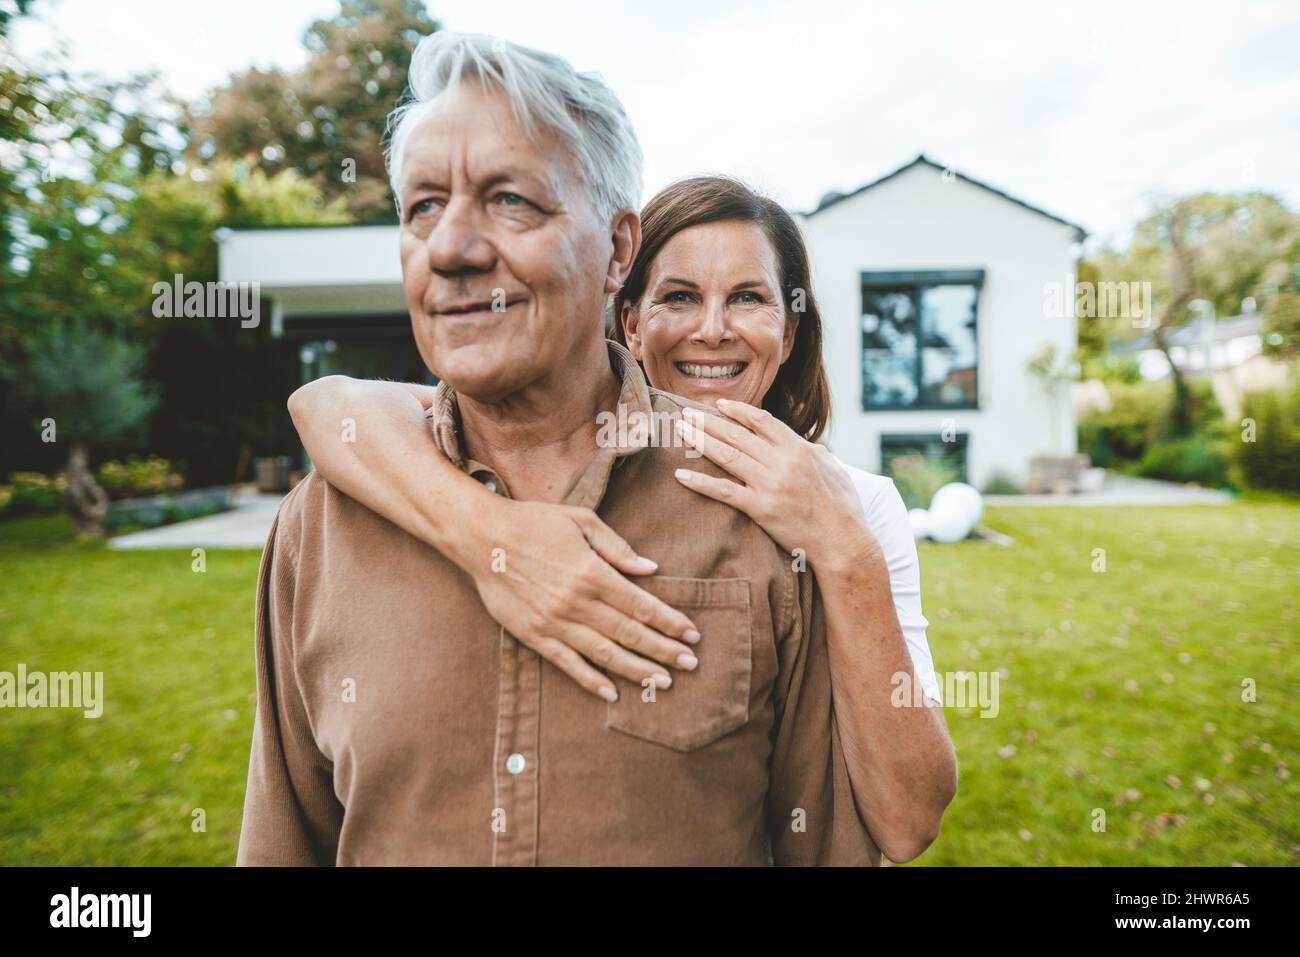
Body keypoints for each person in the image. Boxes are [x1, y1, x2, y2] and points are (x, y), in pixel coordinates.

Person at [237, 30, 884, 866]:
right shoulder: (320, 526)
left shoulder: (759, 506)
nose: (452, 248)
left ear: (619, 249)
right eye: (423, 206)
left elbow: (829, 847)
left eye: (511, 200)